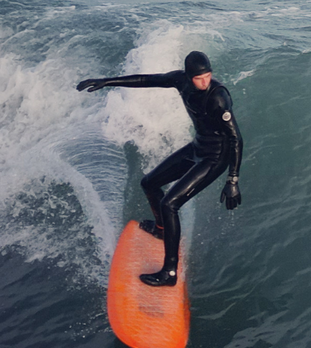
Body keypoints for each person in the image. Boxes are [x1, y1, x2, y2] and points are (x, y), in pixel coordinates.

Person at [76, 49, 242, 288]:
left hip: (216, 157)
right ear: (188, 76)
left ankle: (170, 273)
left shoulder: (218, 97)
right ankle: (162, 229)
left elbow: (237, 139)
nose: (205, 81)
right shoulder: (181, 80)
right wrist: (107, 81)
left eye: (208, 76)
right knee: (149, 183)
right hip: (198, 147)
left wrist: (232, 180)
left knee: (170, 204)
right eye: (199, 78)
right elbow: (148, 79)